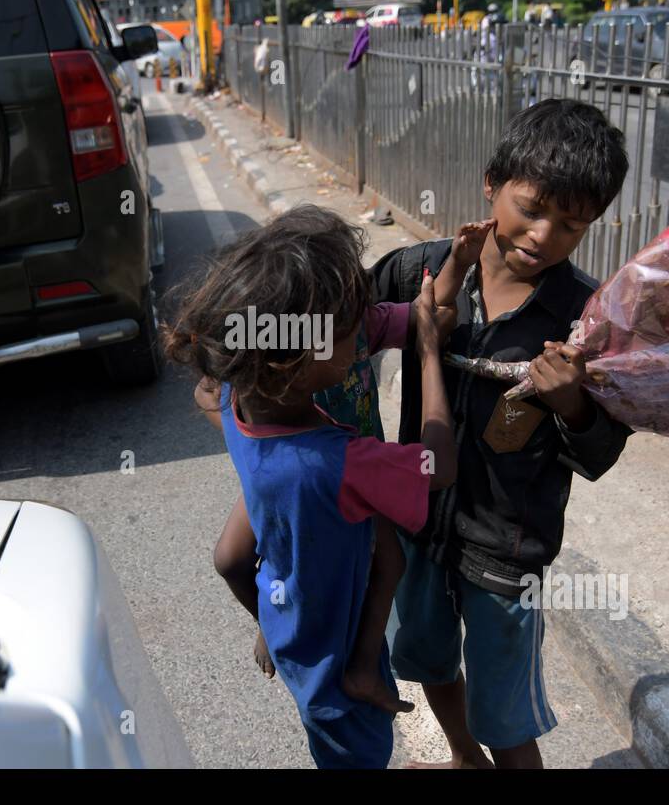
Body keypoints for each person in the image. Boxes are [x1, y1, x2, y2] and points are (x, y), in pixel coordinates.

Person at [168, 206, 487, 768]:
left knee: (241, 557)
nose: (360, 327)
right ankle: (361, 666)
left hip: (285, 581)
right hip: (331, 675)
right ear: (296, 362)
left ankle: (276, 622)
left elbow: (206, 396)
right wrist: (432, 357)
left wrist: (454, 269)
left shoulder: (240, 400)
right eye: (347, 328)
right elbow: (439, 465)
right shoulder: (341, 463)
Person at [372, 99, 634, 768]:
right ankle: (463, 758)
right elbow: (342, 334)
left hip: (508, 551)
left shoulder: (589, 320)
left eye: (572, 225)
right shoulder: (421, 273)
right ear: (492, 182)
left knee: (508, 721)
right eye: (533, 207)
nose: (545, 235)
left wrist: (572, 401)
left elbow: (602, 452)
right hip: (420, 525)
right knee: (428, 658)